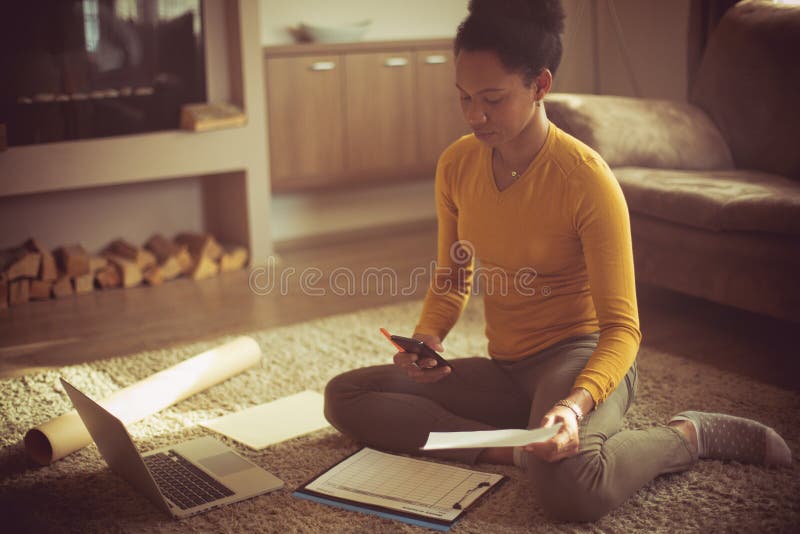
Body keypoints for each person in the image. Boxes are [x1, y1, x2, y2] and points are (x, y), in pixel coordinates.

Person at [324, 0, 791, 522]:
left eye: (493, 99)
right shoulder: (457, 164)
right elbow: (454, 275)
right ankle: (514, 447)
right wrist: (429, 337)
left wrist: (574, 405)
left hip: (582, 360)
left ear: (541, 85)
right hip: (508, 369)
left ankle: (687, 436)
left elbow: (623, 330)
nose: (474, 115)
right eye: (464, 97)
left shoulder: (586, 180)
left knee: (570, 490)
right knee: (347, 395)